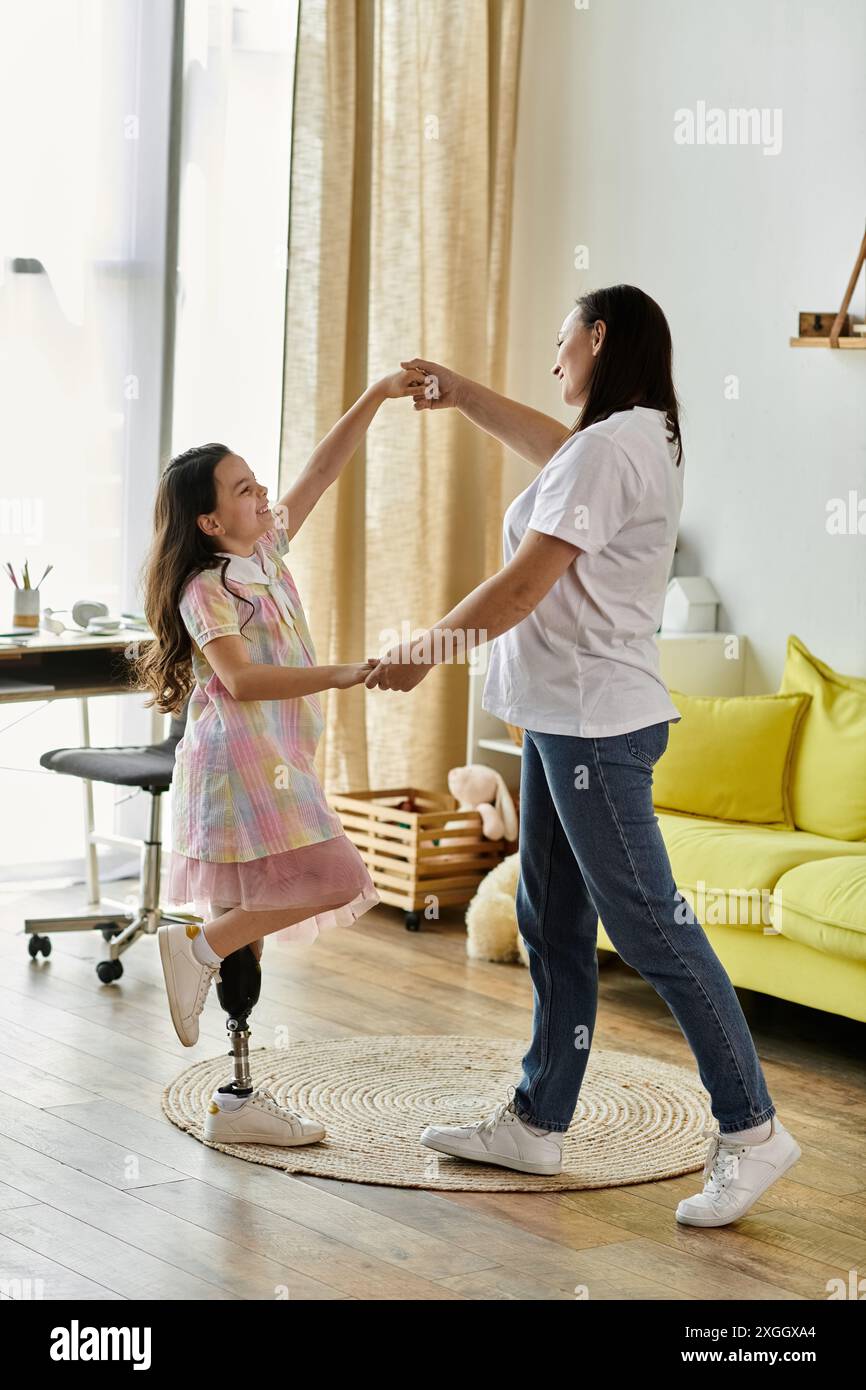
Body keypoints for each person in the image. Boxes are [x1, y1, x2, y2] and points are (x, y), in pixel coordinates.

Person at [366, 285, 801, 1225]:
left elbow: (526, 584)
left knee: (649, 928)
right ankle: (538, 1119)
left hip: (594, 732)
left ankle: (753, 1129)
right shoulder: (636, 437)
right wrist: (463, 393)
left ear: (599, 338)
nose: (554, 357)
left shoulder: (613, 448)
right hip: (566, 722)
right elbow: (556, 449)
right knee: (550, 919)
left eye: (561, 339)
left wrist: (423, 650)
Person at [133, 368, 425, 1135]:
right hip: (237, 773)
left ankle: (238, 1101)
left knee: (246, 950)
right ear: (208, 521)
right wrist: (347, 672)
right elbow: (242, 677)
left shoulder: (265, 554)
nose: (262, 496)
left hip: (272, 765)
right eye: (243, 490)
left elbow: (323, 469)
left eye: (259, 484)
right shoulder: (209, 589)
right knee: (340, 877)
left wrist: (377, 394)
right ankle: (196, 946)